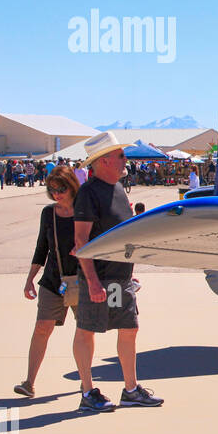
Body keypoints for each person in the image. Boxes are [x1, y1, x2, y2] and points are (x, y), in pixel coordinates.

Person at [71, 132, 163, 412]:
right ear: (105, 161)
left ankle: (131, 389)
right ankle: (87, 392)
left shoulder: (119, 189)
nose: (126, 160)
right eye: (121, 155)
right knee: (88, 330)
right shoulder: (88, 193)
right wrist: (93, 282)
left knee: (128, 329)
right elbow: (81, 241)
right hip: (98, 279)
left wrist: (128, 272)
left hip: (119, 279)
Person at [16, 166, 82, 398]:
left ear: (72, 186)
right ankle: (29, 382)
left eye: (61, 189)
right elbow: (41, 248)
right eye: (52, 189)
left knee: (84, 332)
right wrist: (30, 279)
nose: (56, 194)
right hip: (53, 281)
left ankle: (86, 383)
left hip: (82, 280)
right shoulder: (49, 213)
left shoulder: (85, 210)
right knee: (42, 328)